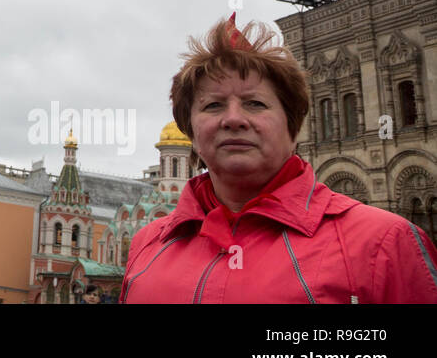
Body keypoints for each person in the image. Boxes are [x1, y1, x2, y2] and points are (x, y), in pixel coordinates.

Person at [121, 16, 437, 303]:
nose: (233, 119)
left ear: (293, 126)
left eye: (255, 103)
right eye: (213, 105)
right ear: (192, 131)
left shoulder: (384, 244)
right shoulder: (148, 243)